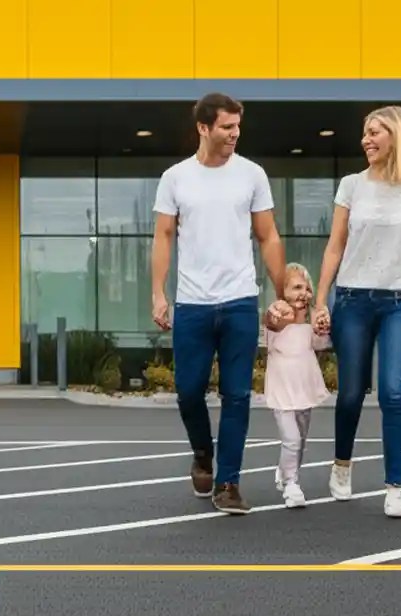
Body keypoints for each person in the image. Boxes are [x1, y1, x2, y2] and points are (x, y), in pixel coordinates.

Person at [151, 92, 291, 515]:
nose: (234, 134)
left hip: (239, 301)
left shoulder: (252, 175)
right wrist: (158, 293)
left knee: (237, 395)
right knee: (188, 392)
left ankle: (228, 482)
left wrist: (283, 295)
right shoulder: (176, 177)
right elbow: (163, 236)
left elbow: (268, 237)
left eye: (237, 127)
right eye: (227, 127)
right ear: (203, 128)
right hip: (193, 303)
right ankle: (202, 454)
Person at [312, 105, 401, 518]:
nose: (366, 139)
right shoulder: (351, 185)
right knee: (350, 393)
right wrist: (320, 301)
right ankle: (342, 465)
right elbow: (335, 247)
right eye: (364, 133)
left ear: (396, 137)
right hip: (352, 300)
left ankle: (395, 488)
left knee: (392, 392)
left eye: (374, 132)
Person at [263, 263, 331, 509]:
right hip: (282, 389)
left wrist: (322, 329)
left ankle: (286, 471)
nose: (302, 293)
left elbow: (320, 345)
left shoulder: (310, 319)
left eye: (306, 288)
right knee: (291, 439)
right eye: (295, 288)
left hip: (304, 386)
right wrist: (277, 312)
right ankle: (292, 484)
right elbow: (271, 322)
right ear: (282, 291)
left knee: (300, 439)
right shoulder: (277, 318)